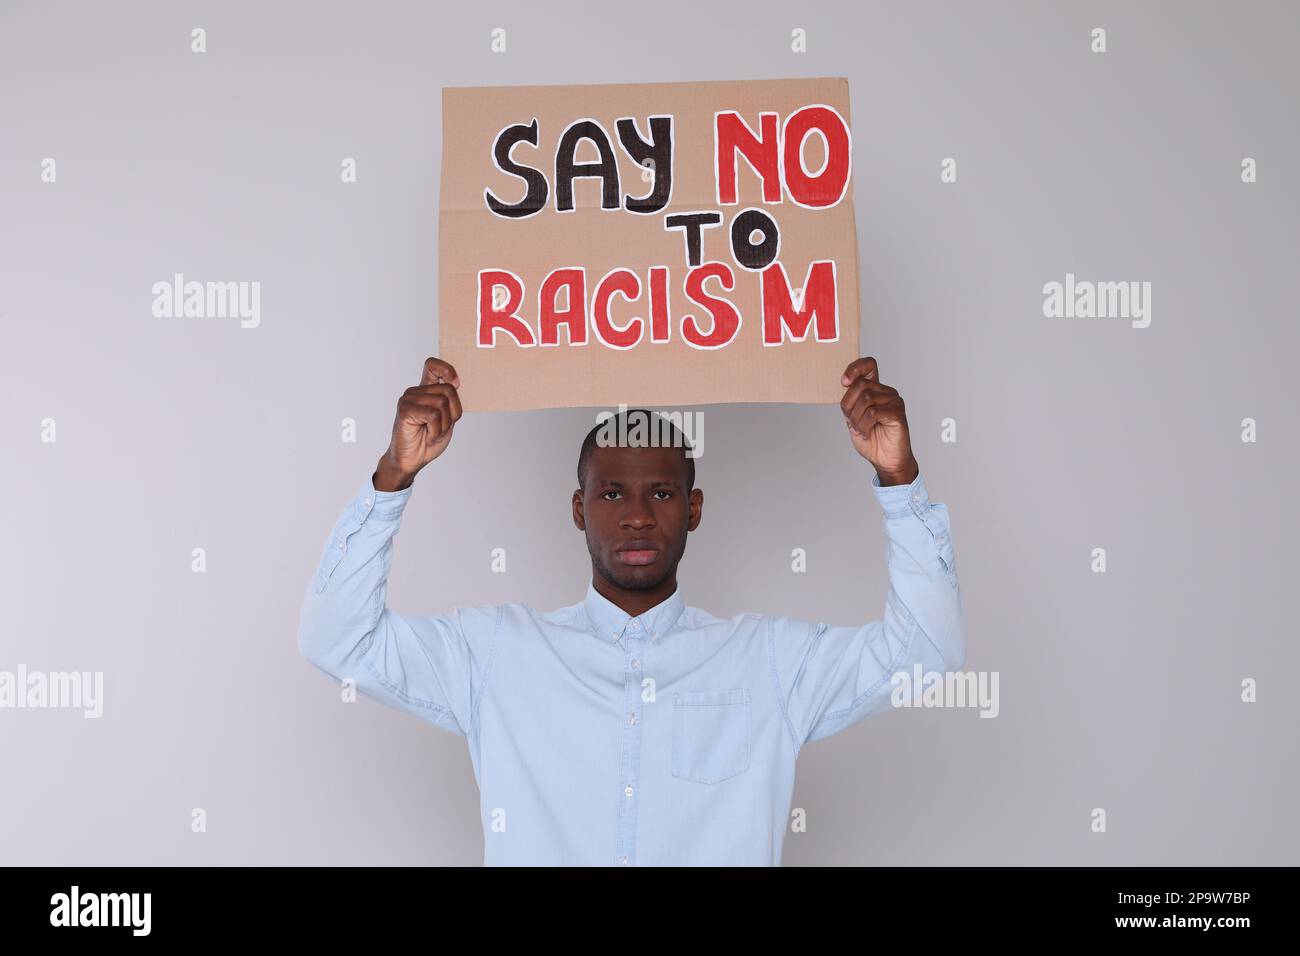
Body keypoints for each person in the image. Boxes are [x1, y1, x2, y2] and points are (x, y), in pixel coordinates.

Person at [298, 355, 966, 866]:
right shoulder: (497, 655)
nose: (640, 516)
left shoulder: (769, 662)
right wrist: (395, 473)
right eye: (613, 494)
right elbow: (338, 642)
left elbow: (926, 655)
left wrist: (898, 480)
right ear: (579, 509)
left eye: (663, 494)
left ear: (694, 509)